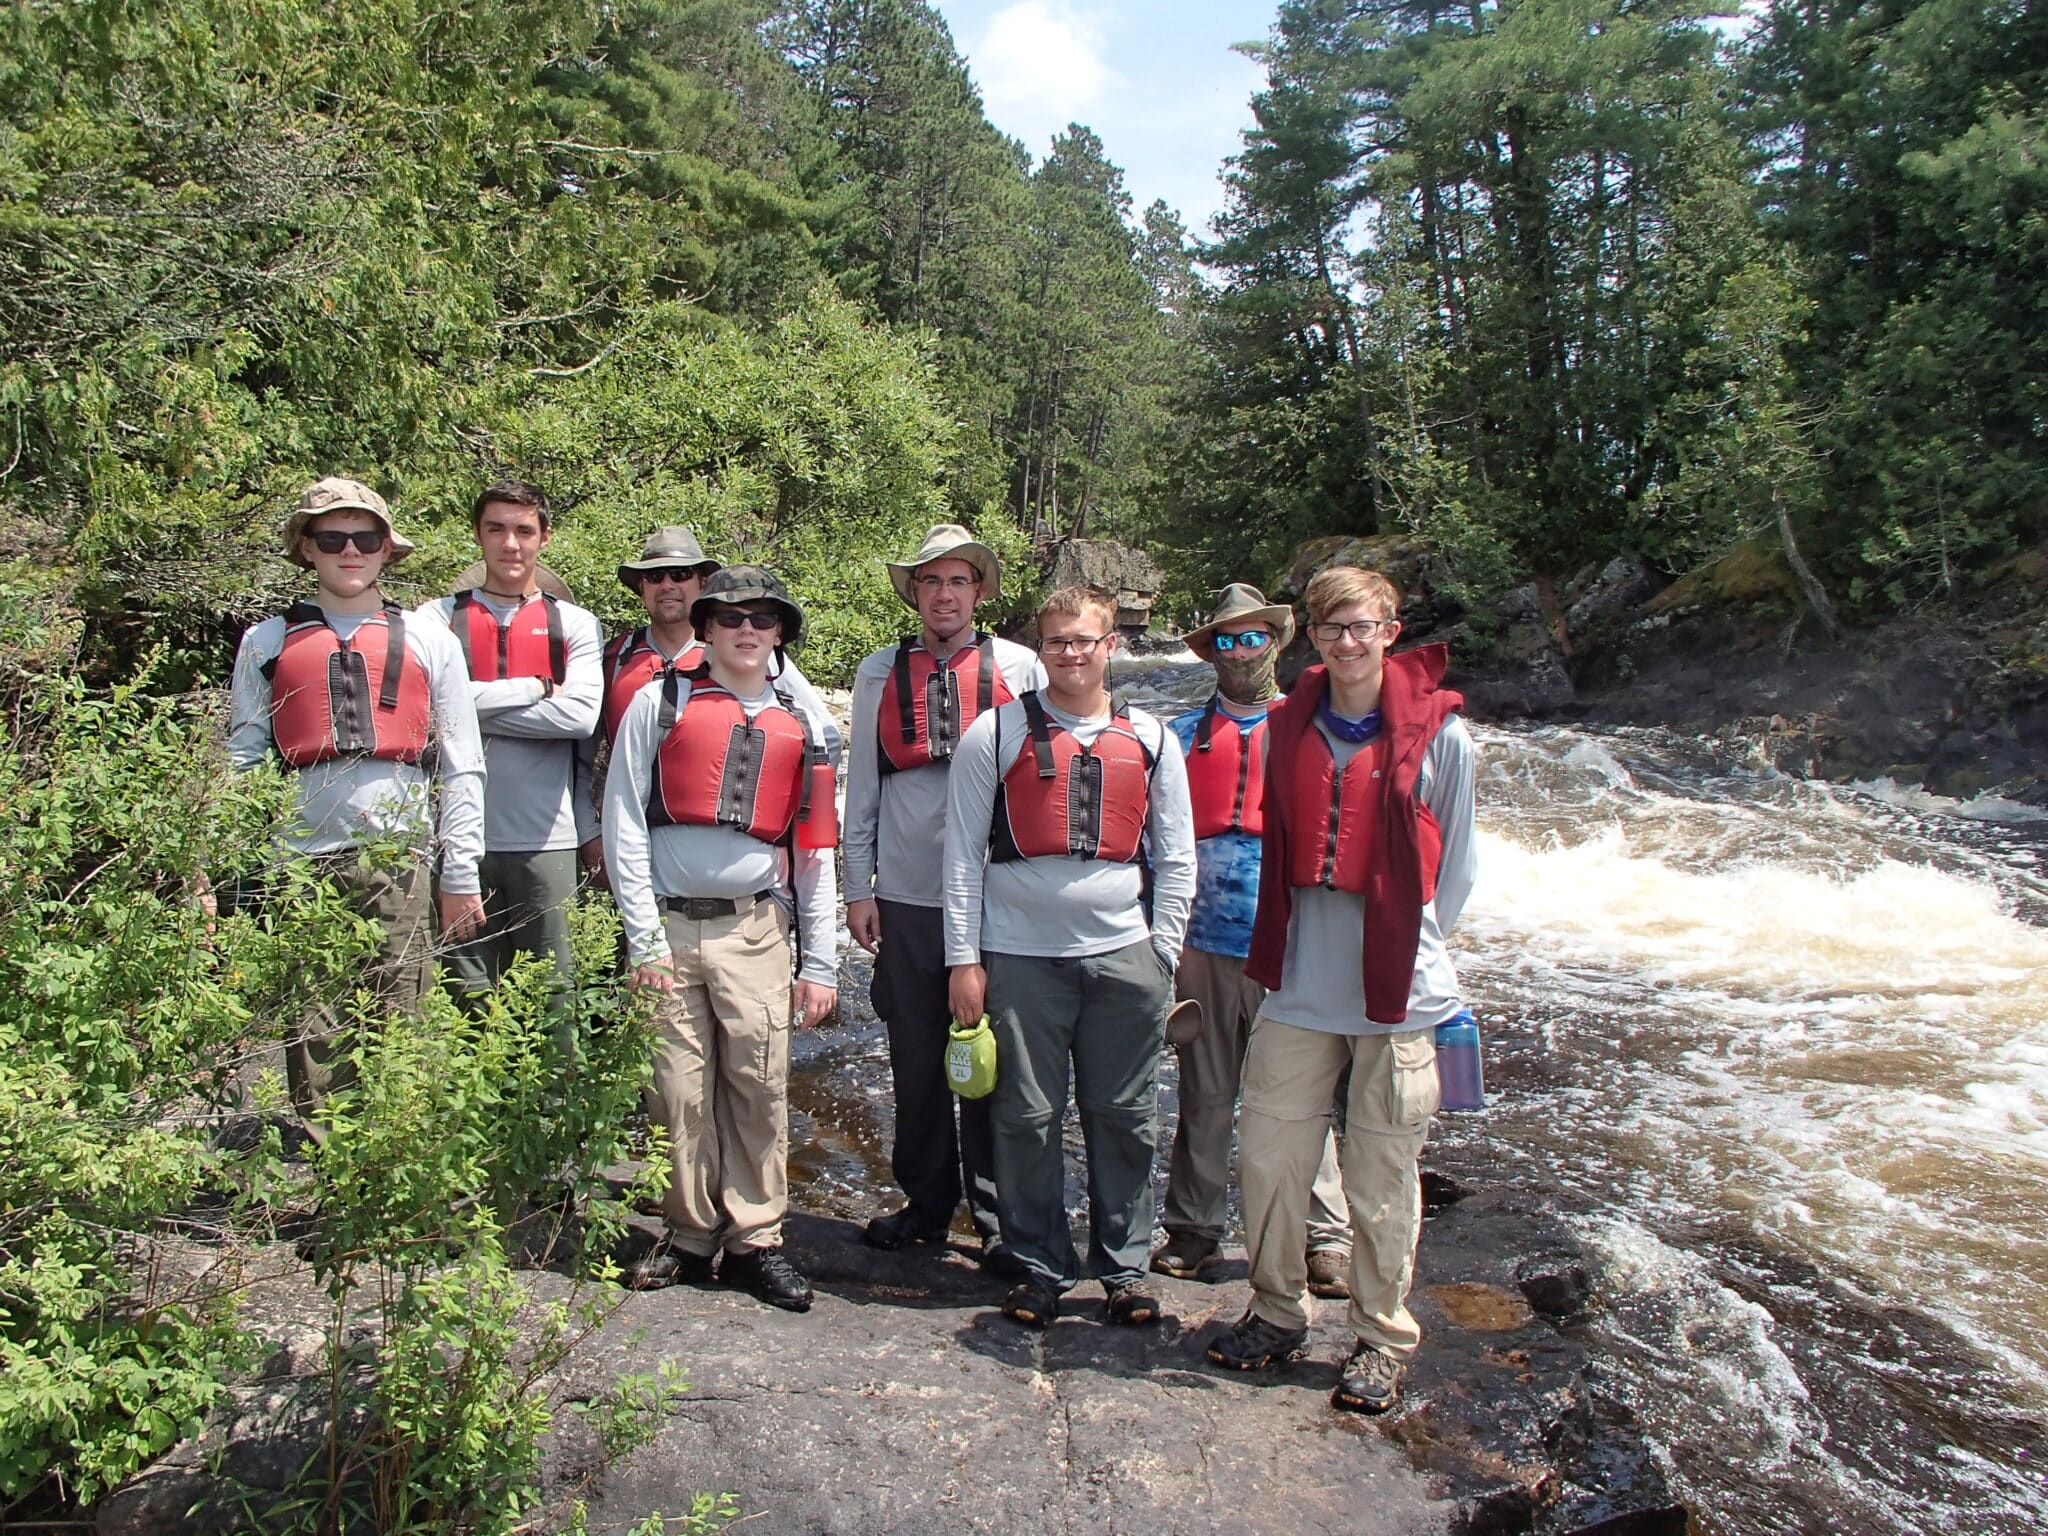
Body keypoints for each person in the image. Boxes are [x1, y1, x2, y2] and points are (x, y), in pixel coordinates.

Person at [1205, 566, 1477, 1415]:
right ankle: (1278, 1312)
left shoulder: (1444, 739)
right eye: (1332, 630)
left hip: (1397, 994)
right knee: (1272, 1159)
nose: (1348, 643)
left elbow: (1457, 874)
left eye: (1364, 626)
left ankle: (1380, 1337)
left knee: (1383, 1174)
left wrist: (1412, 950)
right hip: (1300, 985)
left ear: (1392, 631)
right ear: (1313, 640)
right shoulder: (1289, 727)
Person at [942, 585, 1197, 1329]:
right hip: (1018, 956)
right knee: (1024, 1117)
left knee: (1123, 1116)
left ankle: (1125, 1269)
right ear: (1041, 647)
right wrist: (965, 960)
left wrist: (1164, 953)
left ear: (1110, 645)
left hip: (1124, 956)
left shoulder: (1152, 738)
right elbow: (960, 859)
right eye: (1057, 640)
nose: (1071, 652)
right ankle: (1038, 1265)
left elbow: (1177, 857)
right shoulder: (993, 734)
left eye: (1085, 639)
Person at [602, 565, 840, 1312]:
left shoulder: (804, 725)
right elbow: (621, 825)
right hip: (669, 928)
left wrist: (821, 961)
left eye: (764, 620)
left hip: (756, 929)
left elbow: (816, 855)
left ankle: (756, 1240)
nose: (746, 630)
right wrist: (642, 940)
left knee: (760, 1087)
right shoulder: (657, 702)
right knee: (676, 1093)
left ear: (780, 637)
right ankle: (688, 1234)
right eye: (730, 617)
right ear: (704, 627)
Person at [228, 477, 487, 1139]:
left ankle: (399, 1189)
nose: (350, 551)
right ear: (306, 549)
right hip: (299, 864)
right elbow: (244, 758)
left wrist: (459, 872)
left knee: (406, 1014)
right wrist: (232, 865)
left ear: (385, 549)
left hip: (401, 857)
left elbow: (462, 762)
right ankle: (336, 1184)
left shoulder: (430, 639)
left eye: (365, 537)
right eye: (332, 538)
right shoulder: (266, 641)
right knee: (316, 1028)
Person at [843, 524, 1043, 1268]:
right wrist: (855, 888)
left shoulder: (1022, 668)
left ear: (980, 592)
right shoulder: (875, 674)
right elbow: (862, 785)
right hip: (904, 894)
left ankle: (998, 1215)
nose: (945, 594)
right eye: (931, 582)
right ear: (916, 594)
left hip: (1001, 897)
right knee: (916, 1054)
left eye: (959, 581)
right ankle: (927, 1204)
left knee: (997, 1060)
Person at [1149, 585, 1352, 1295]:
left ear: (1276, 641)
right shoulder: (1175, 737)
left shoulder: (1314, 727)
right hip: (1200, 943)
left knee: (1302, 1094)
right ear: (1212, 653)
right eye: (1227, 642)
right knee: (1204, 1092)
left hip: (1290, 942)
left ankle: (1325, 1238)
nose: (1241, 653)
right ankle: (1194, 1230)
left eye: (1253, 638)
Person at [413, 480, 602, 1002]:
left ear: (544, 537)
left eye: (523, 530)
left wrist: (459, 710)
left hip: (548, 843)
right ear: (478, 535)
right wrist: (530, 689)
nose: (510, 544)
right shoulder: (434, 620)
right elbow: (420, 710)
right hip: (454, 842)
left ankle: (557, 1090)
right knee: (468, 998)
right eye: (496, 529)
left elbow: (580, 716)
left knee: (555, 997)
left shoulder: (575, 625)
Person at [577, 527, 839, 889]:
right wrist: (590, 833)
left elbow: (823, 738)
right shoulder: (616, 658)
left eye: (681, 574)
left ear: (702, 581)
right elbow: (582, 757)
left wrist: (780, 810)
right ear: (641, 587)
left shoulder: (748, 654)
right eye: (655, 576)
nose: (667, 584)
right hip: (624, 846)